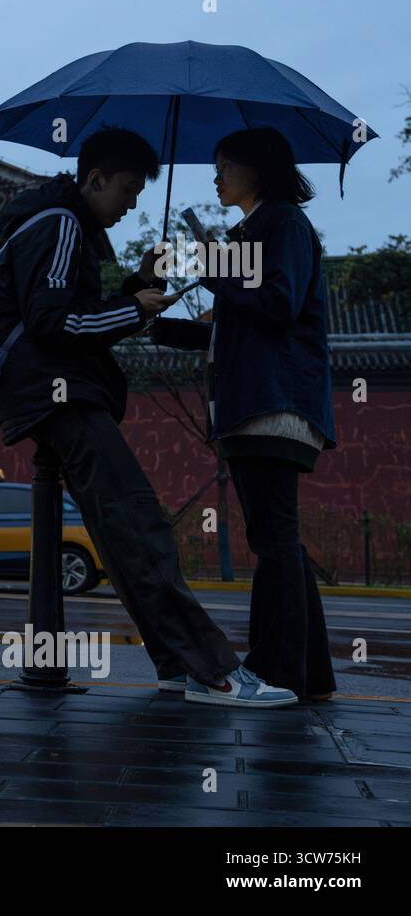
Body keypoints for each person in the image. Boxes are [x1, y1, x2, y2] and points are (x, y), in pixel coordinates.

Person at [0, 125, 297, 708]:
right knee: (137, 527)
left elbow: (73, 314)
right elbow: (54, 323)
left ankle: (178, 665)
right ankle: (215, 672)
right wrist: (132, 309)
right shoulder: (59, 223)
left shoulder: (60, 221)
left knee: (123, 534)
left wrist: (140, 286)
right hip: (60, 396)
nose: (131, 206)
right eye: (127, 191)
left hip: (53, 394)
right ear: (95, 178)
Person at [151, 126, 337, 703]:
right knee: (280, 539)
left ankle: (274, 671)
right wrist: (157, 320)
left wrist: (216, 268)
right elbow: (234, 326)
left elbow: (279, 303)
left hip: (272, 403)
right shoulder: (251, 233)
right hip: (253, 402)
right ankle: (309, 675)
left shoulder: (282, 223)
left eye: (225, 163)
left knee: (274, 538)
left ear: (257, 168)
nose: (216, 175)